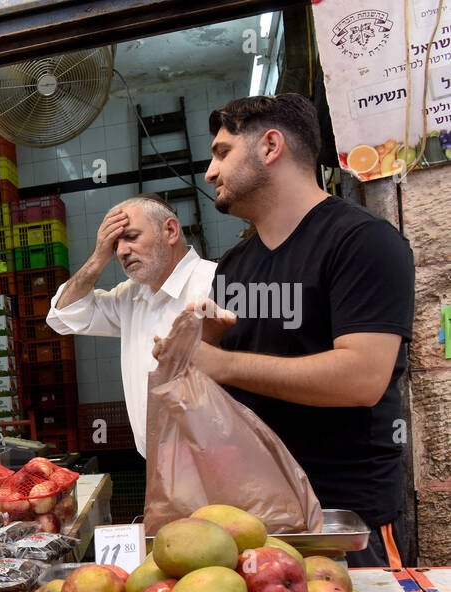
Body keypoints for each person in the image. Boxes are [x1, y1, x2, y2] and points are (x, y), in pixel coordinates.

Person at [164, 93, 414, 567]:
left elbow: (362, 377)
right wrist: (198, 347)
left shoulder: (362, 242)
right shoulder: (235, 266)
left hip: (344, 523)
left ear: (270, 146)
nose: (209, 173)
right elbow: (235, 384)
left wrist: (224, 362)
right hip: (258, 519)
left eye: (221, 152)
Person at [45, 195, 217, 456]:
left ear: (170, 231)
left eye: (131, 236)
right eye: (115, 244)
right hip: (157, 466)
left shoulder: (215, 282)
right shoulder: (131, 297)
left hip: (218, 460)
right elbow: (63, 315)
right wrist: (97, 257)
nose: (121, 251)